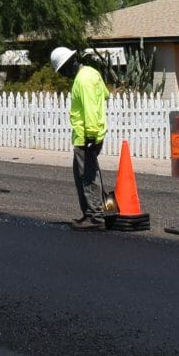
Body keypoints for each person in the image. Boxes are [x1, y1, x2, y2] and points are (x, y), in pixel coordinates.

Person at [52, 46, 108, 228]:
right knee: (83, 174)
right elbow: (105, 95)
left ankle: (95, 217)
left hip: (86, 137)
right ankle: (90, 213)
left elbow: (90, 109)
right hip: (91, 134)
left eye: (62, 71)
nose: (63, 75)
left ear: (68, 65)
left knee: (87, 176)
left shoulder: (82, 81)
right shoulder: (92, 73)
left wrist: (90, 135)